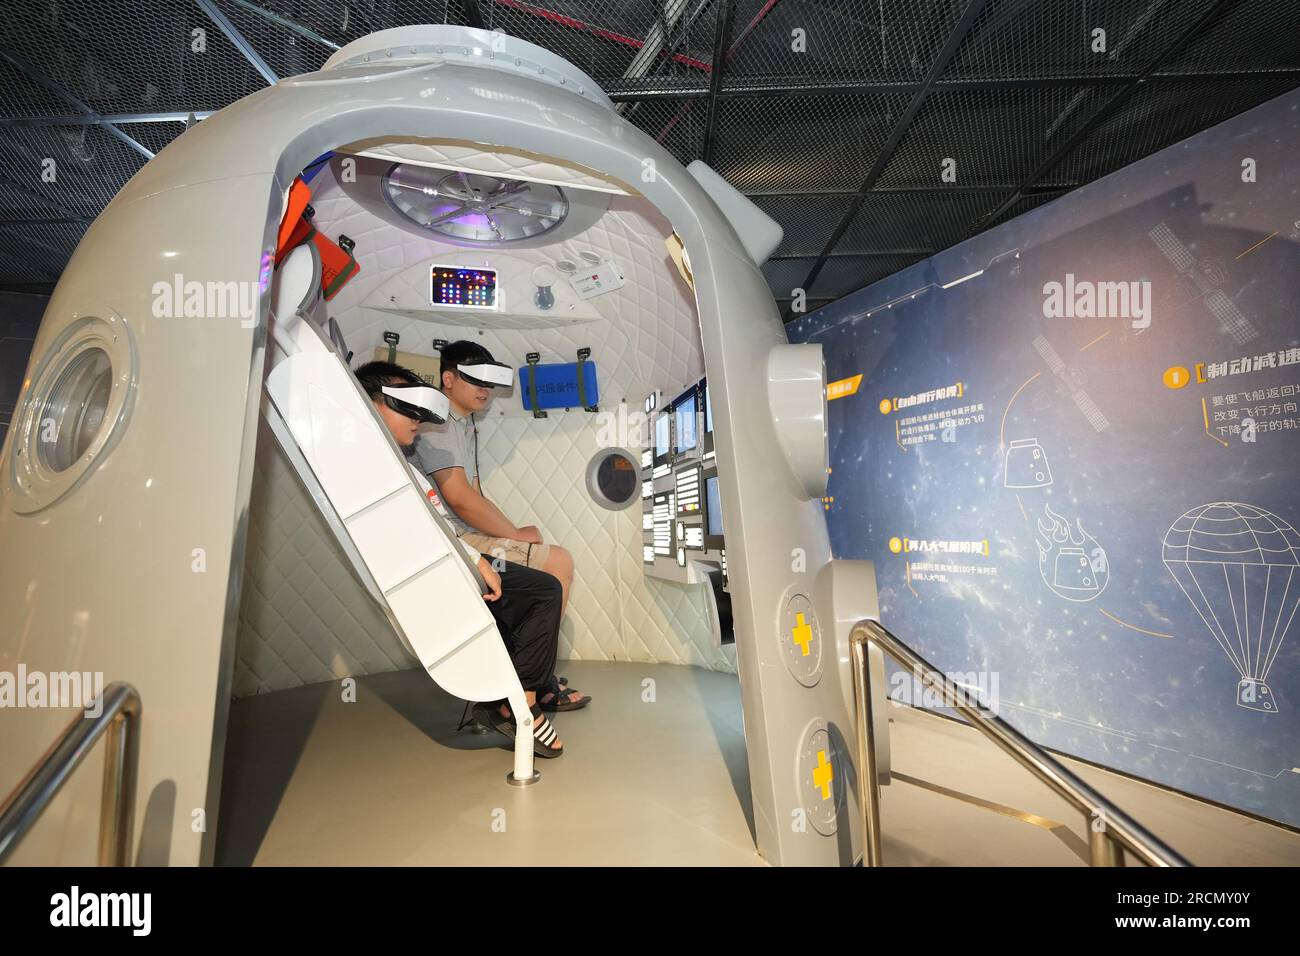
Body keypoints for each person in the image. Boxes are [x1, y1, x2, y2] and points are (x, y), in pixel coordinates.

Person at [354, 360, 589, 758]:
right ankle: (522, 703)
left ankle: (523, 692)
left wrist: (475, 554)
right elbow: (445, 514)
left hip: (453, 554)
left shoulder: (404, 458)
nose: (418, 419)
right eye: (406, 407)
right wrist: (478, 557)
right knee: (546, 586)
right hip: (448, 562)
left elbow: (438, 518)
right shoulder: (385, 465)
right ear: (371, 406)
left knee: (543, 587)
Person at [410, 341, 576, 620]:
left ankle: (524, 650)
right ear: (448, 378)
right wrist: (514, 534)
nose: (484, 389)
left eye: (488, 381)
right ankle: (535, 658)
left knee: (542, 553)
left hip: (466, 533)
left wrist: (510, 533)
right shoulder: (438, 423)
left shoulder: (463, 424)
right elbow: (460, 499)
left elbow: (474, 495)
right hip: (452, 537)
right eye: (475, 379)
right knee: (559, 562)